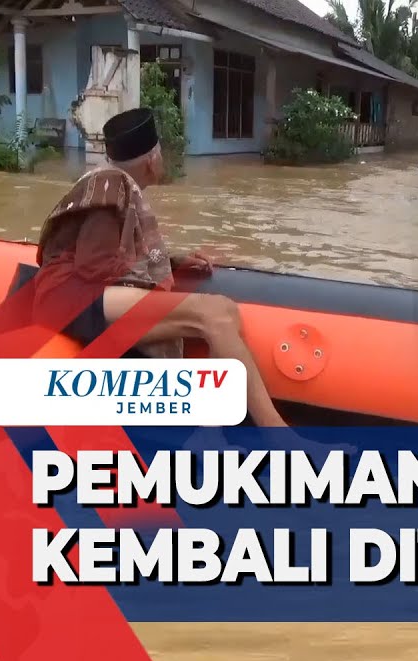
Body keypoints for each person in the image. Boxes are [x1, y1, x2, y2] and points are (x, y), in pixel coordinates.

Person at [32, 107, 288, 427]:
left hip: (86, 294)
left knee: (224, 312)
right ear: (152, 161)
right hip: (72, 297)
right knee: (214, 314)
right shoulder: (112, 184)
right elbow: (92, 266)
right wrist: (147, 281)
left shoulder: (115, 182)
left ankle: (209, 431)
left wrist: (173, 261)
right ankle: (280, 437)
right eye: (161, 153)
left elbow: (119, 254)